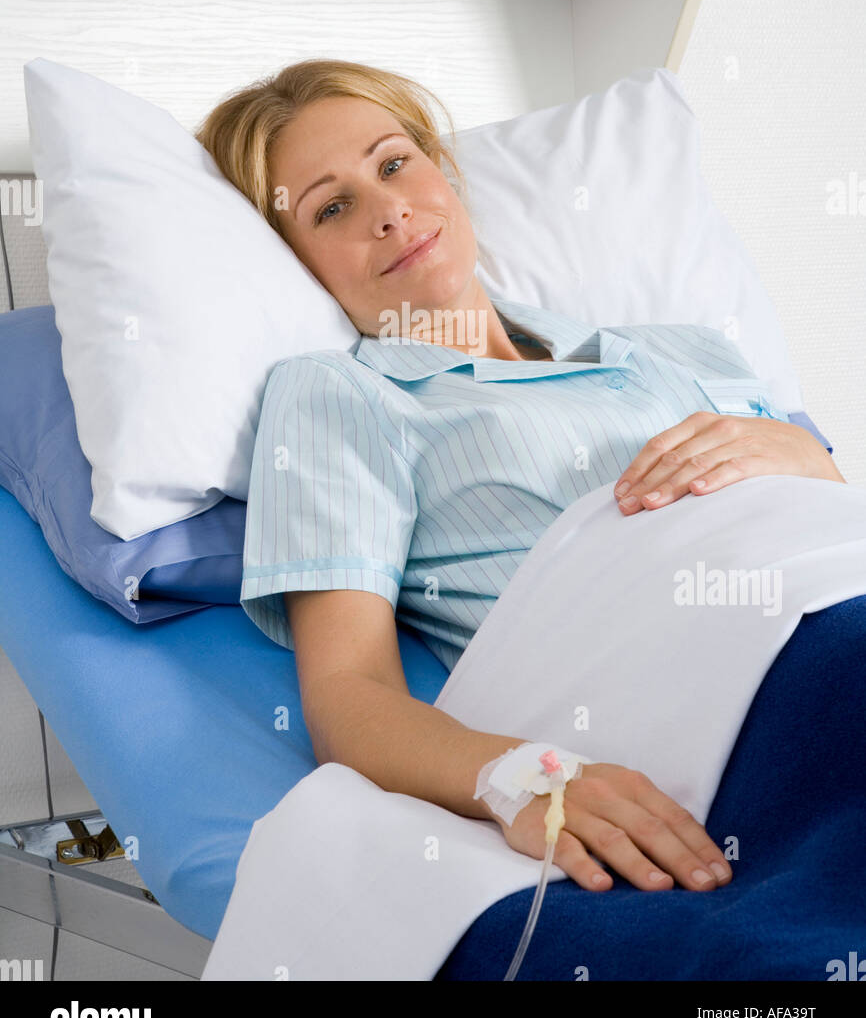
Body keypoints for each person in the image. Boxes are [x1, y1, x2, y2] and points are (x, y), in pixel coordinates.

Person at [195, 59, 845, 897]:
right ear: (297, 261)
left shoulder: (690, 349)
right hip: (750, 701)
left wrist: (810, 459)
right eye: (332, 207)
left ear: (443, 171)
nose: (388, 211)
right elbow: (349, 696)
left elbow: (832, 535)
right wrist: (525, 779)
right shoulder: (344, 397)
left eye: (393, 164)